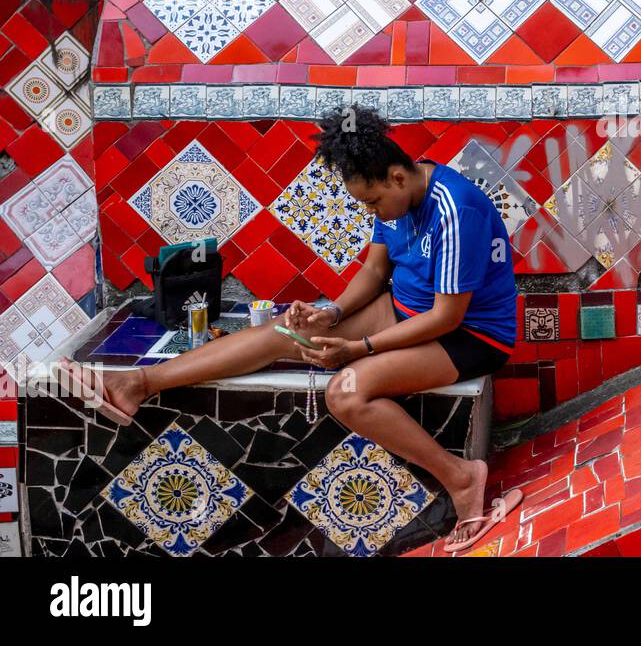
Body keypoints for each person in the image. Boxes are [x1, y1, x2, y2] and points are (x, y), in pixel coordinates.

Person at [59, 105, 522, 552]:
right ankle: (136, 383)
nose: (375, 213)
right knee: (288, 332)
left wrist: (359, 348)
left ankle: (462, 478)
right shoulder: (396, 196)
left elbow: (446, 317)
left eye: (375, 201)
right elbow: (373, 271)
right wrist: (333, 315)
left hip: (470, 336)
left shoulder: (454, 209)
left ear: (397, 178)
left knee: (346, 391)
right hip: (402, 310)